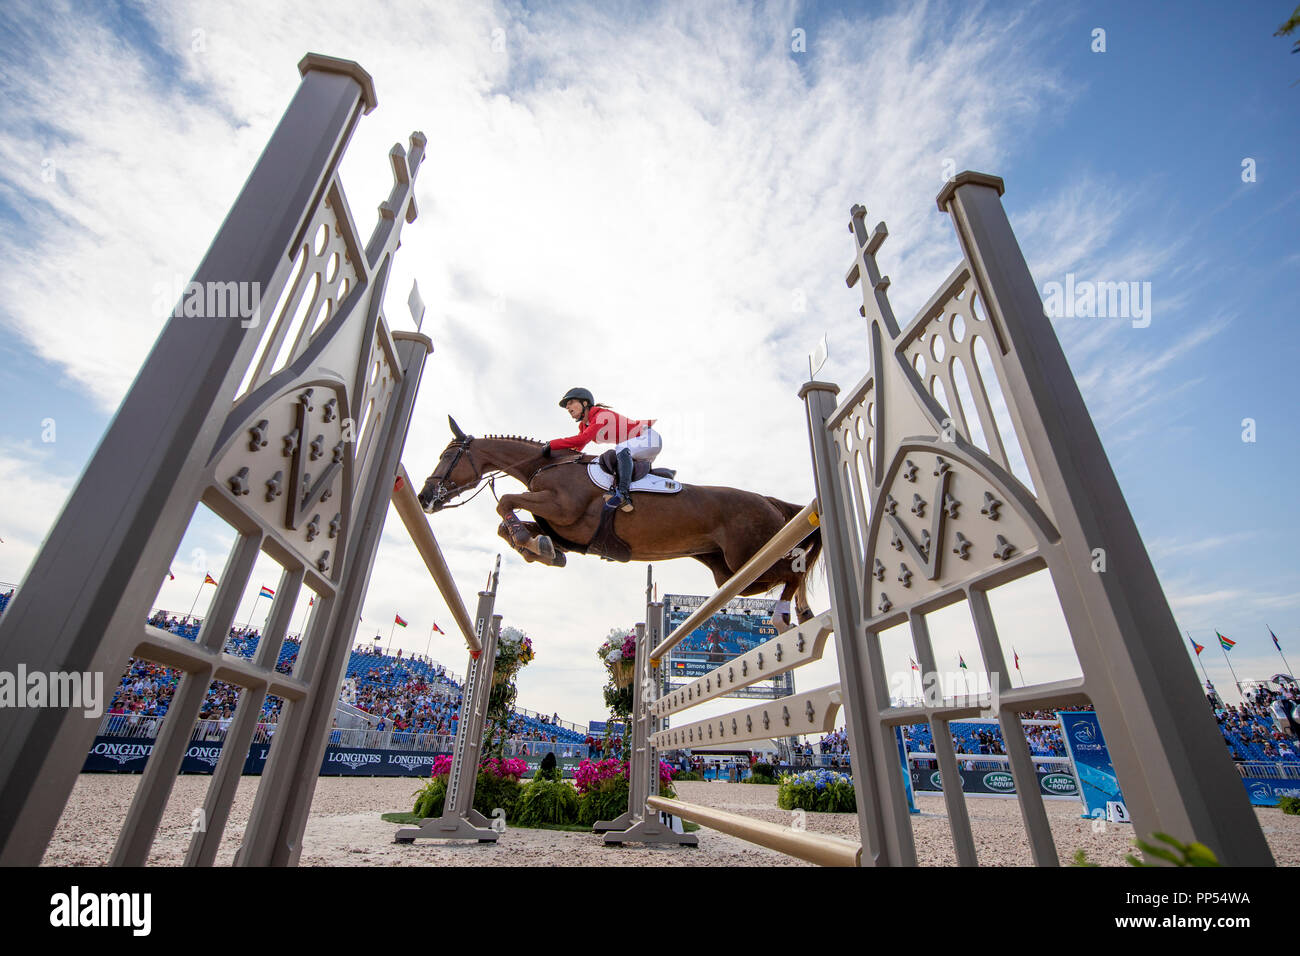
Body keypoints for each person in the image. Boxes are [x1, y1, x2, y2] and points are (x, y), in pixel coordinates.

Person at [544, 387, 660, 512]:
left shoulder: (601, 415)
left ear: (585, 403)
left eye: (571, 402)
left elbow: (581, 440)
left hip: (648, 439)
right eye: (566, 405)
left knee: (619, 449)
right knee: (617, 458)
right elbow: (576, 449)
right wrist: (555, 458)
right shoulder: (584, 425)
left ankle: (622, 493)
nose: (568, 407)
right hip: (637, 447)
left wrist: (552, 444)